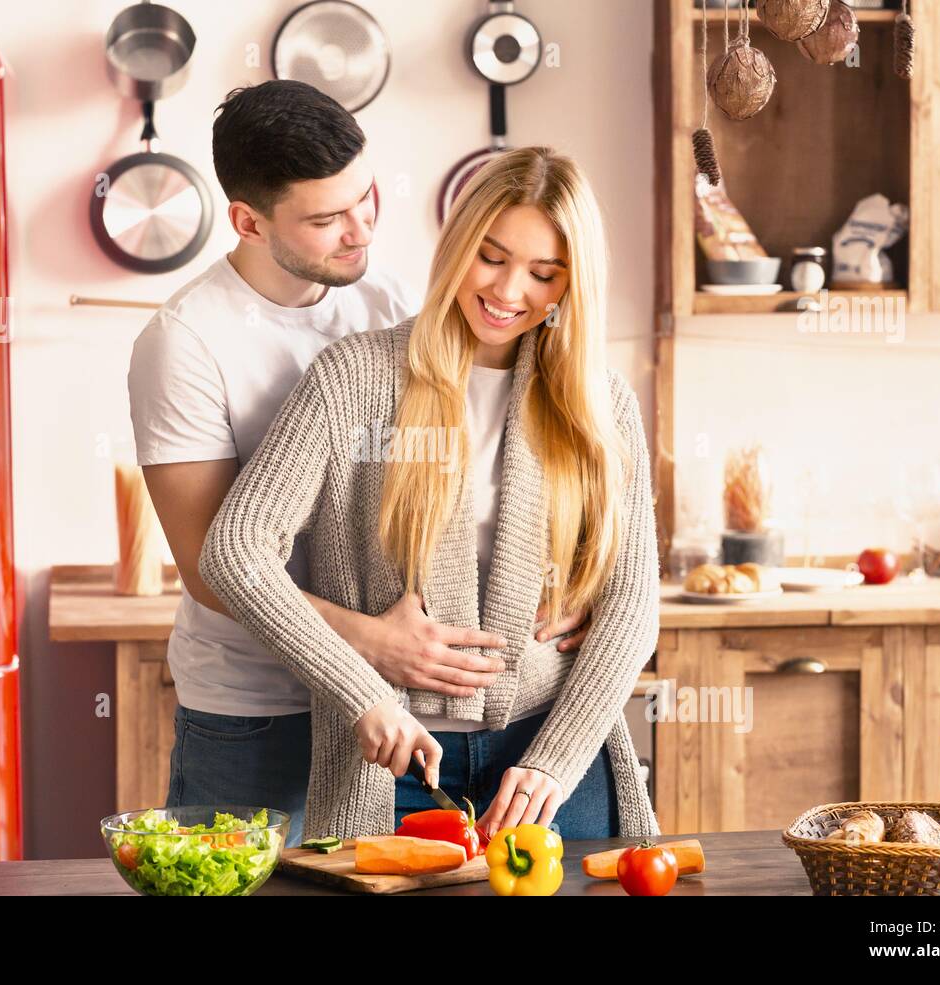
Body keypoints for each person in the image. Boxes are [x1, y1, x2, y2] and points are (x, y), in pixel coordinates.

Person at [128, 82, 588, 845]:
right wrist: (370, 641)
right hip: (259, 710)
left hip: (390, 703)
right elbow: (214, 568)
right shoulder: (184, 343)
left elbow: (460, 484)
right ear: (247, 220)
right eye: (326, 218)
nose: (361, 228)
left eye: (365, 196)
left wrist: (574, 581)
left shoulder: (385, 299)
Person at [199, 146, 661, 841]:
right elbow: (235, 552)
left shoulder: (600, 402)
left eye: (543, 273)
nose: (509, 291)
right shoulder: (352, 377)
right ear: (458, 243)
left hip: (550, 758)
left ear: (571, 284)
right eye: (492, 256)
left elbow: (632, 601)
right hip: (392, 766)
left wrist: (555, 764)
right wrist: (359, 693)